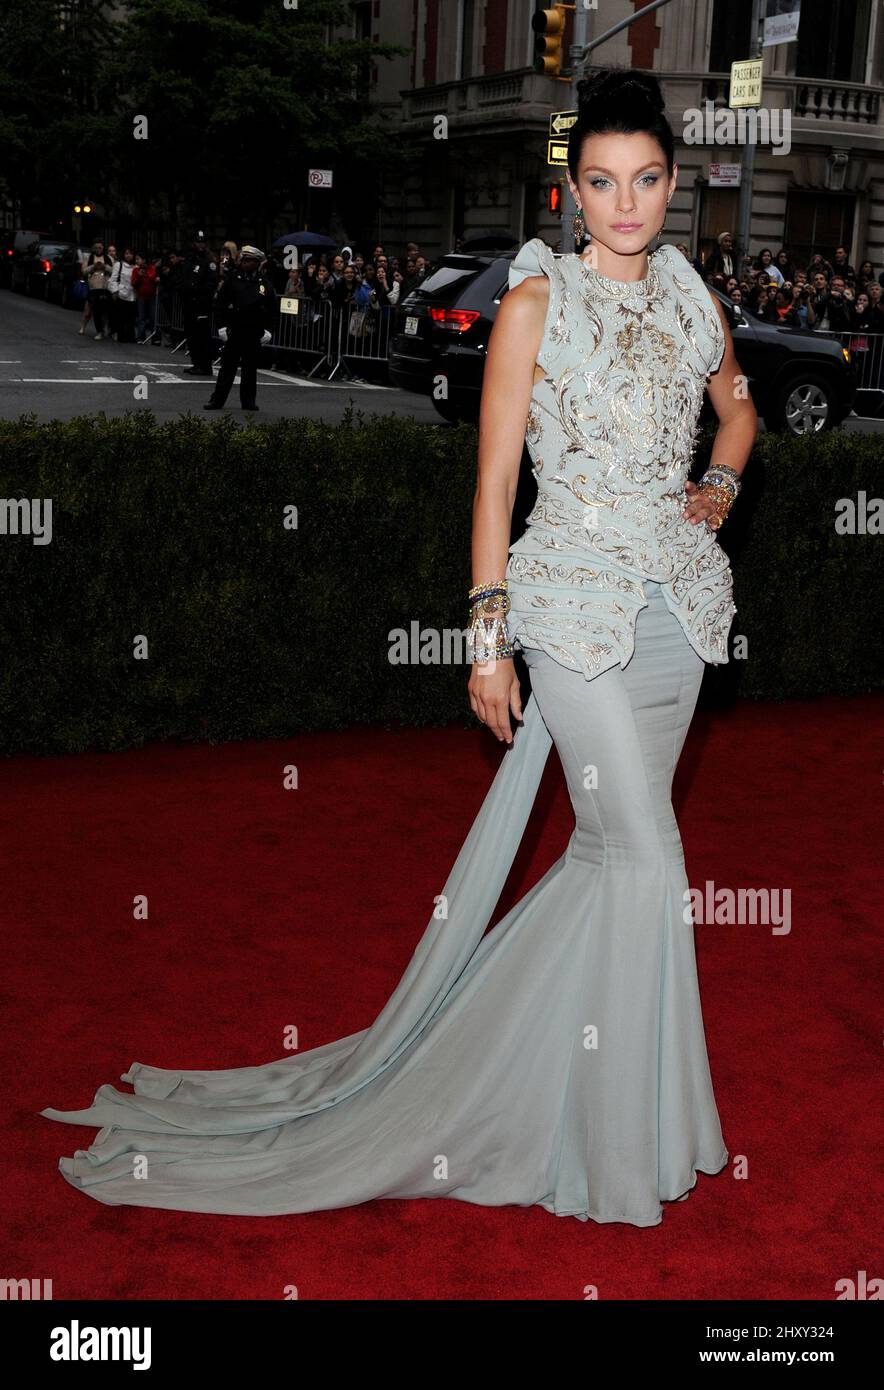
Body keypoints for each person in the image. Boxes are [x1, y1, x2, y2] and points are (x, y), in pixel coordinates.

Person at [41, 69, 755, 1229]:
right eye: (600, 183)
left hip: (675, 614)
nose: (624, 204)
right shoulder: (535, 304)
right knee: (648, 861)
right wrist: (486, 641)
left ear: (673, 186)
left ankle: (575, 1095)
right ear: (571, 191)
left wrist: (716, 484)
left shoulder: (689, 295)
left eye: (646, 181)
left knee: (609, 865)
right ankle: (617, 1146)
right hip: (568, 609)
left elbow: (738, 405)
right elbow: (488, 483)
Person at [203, 245, 276, 411]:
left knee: (250, 370)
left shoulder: (264, 283)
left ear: (257, 263)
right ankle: (217, 400)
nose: (244, 263)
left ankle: (248, 401)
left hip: (254, 331)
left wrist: (269, 330)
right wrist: (221, 326)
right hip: (235, 329)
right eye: (243, 259)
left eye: (248, 260)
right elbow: (220, 303)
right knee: (227, 368)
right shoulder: (233, 278)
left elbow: (272, 308)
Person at [180, 230, 218, 376]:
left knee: (202, 336)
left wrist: (195, 289)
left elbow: (211, 283)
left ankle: (205, 365)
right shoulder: (190, 258)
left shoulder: (209, 261)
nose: (200, 244)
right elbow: (184, 277)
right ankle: (196, 363)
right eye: (198, 242)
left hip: (201, 303)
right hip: (189, 303)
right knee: (191, 335)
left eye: (202, 242)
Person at [80, 240, 113, 339]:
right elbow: (84, 271)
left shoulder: (109, 258)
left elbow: (114, 271)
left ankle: (105, 330)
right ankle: (98, 331)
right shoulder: (89, 257)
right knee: (93, 311)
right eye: (96, 248)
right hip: (93, 288)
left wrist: (105, 267)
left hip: (105, 288)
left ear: (103, 248)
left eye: (100, 248)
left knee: (105, 311)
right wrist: (93, 266)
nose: (98, 250)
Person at [108, 247, 137, 342]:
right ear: (123, 255)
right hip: (121, 295)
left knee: (130, 319)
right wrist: (115, 291)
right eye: (126, 253)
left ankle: (130, 337)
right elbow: (113, 280)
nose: (128, 255)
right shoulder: (118, 265)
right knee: (120, 318)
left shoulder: (136, 267)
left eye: (130, 253)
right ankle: (120, 336)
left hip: (132, 296)